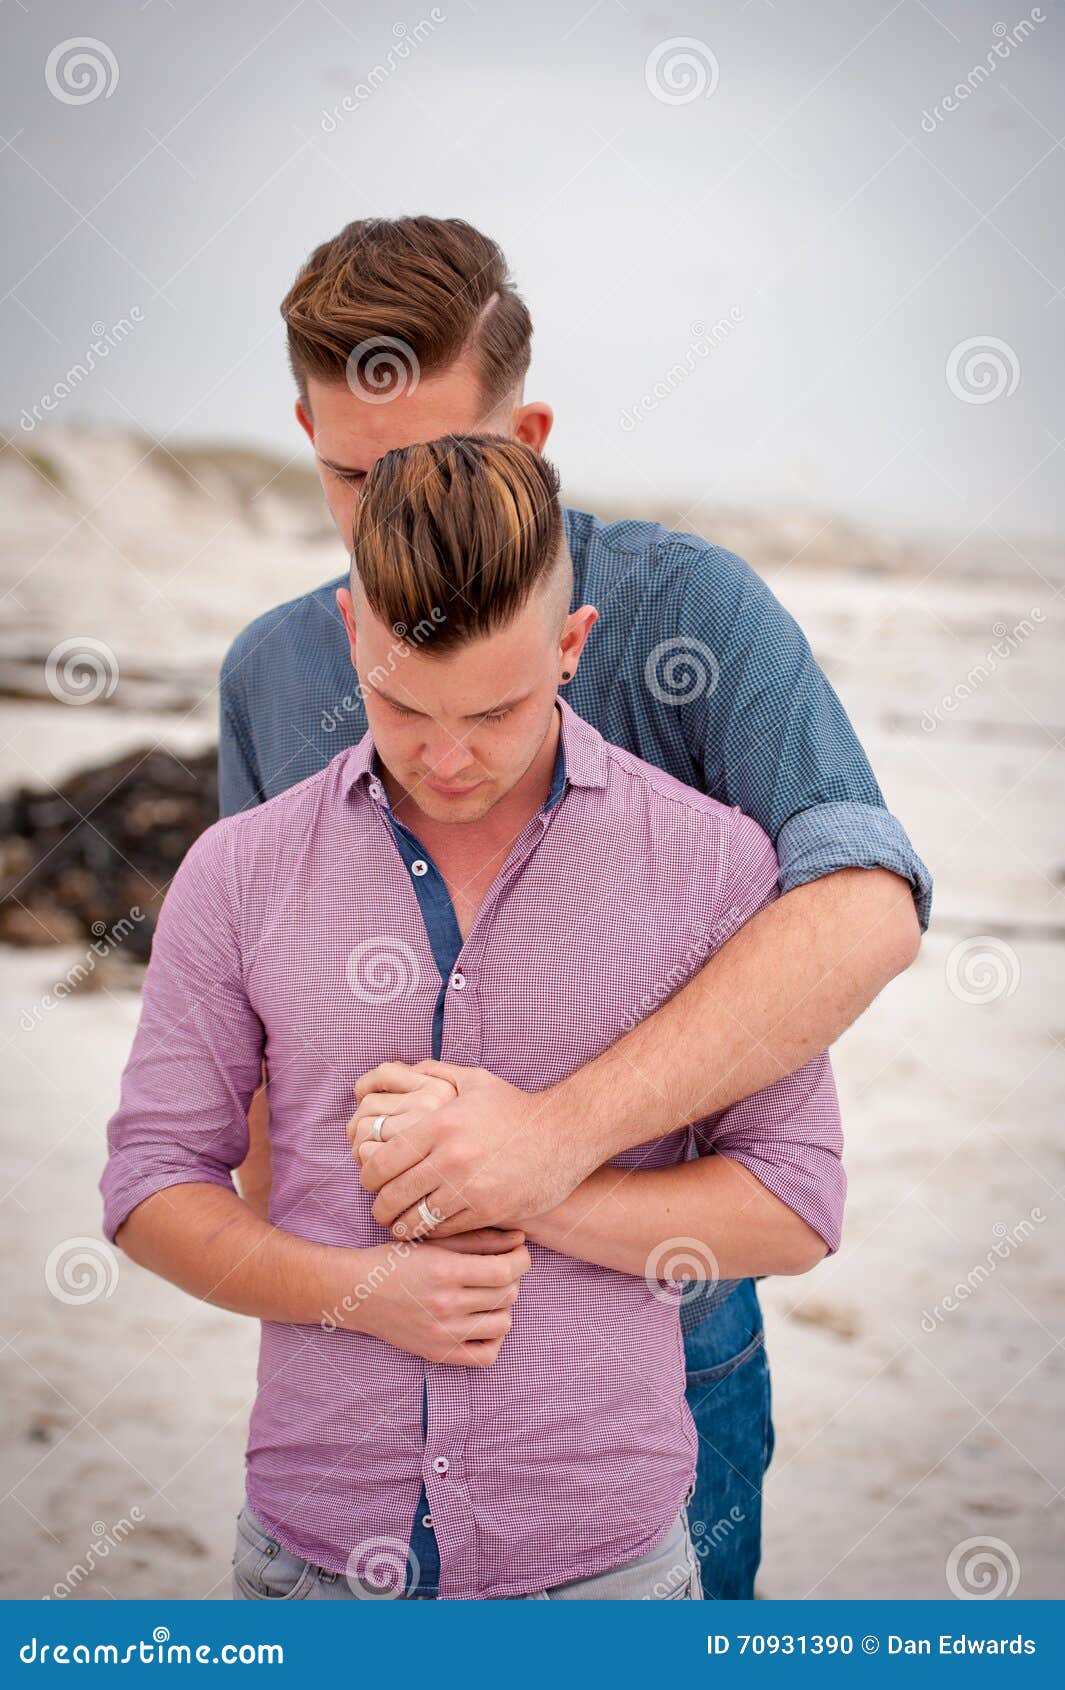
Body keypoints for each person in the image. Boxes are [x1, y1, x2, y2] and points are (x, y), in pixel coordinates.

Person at [218, 216, 930, 1596]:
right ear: (304, 433)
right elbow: (254, 1057)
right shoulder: (271, 673)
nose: (396, 529)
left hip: (666, 1347)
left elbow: (867, 905)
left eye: (437, 465)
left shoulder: (689, 610)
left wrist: (546, 1147)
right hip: (364, 1368)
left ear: (530, 436)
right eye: (352, 478)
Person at [101, 436, 844, 1602]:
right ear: (351, 631)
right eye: (402, 703)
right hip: (309, 1565)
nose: (446, 759)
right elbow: (150, 1186)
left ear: (572, 646)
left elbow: (795, 1209)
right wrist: (362, 1292)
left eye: (496, 712)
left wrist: (530, 1174)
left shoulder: (714, 867)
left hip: (604, 1581)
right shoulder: (236, 873)